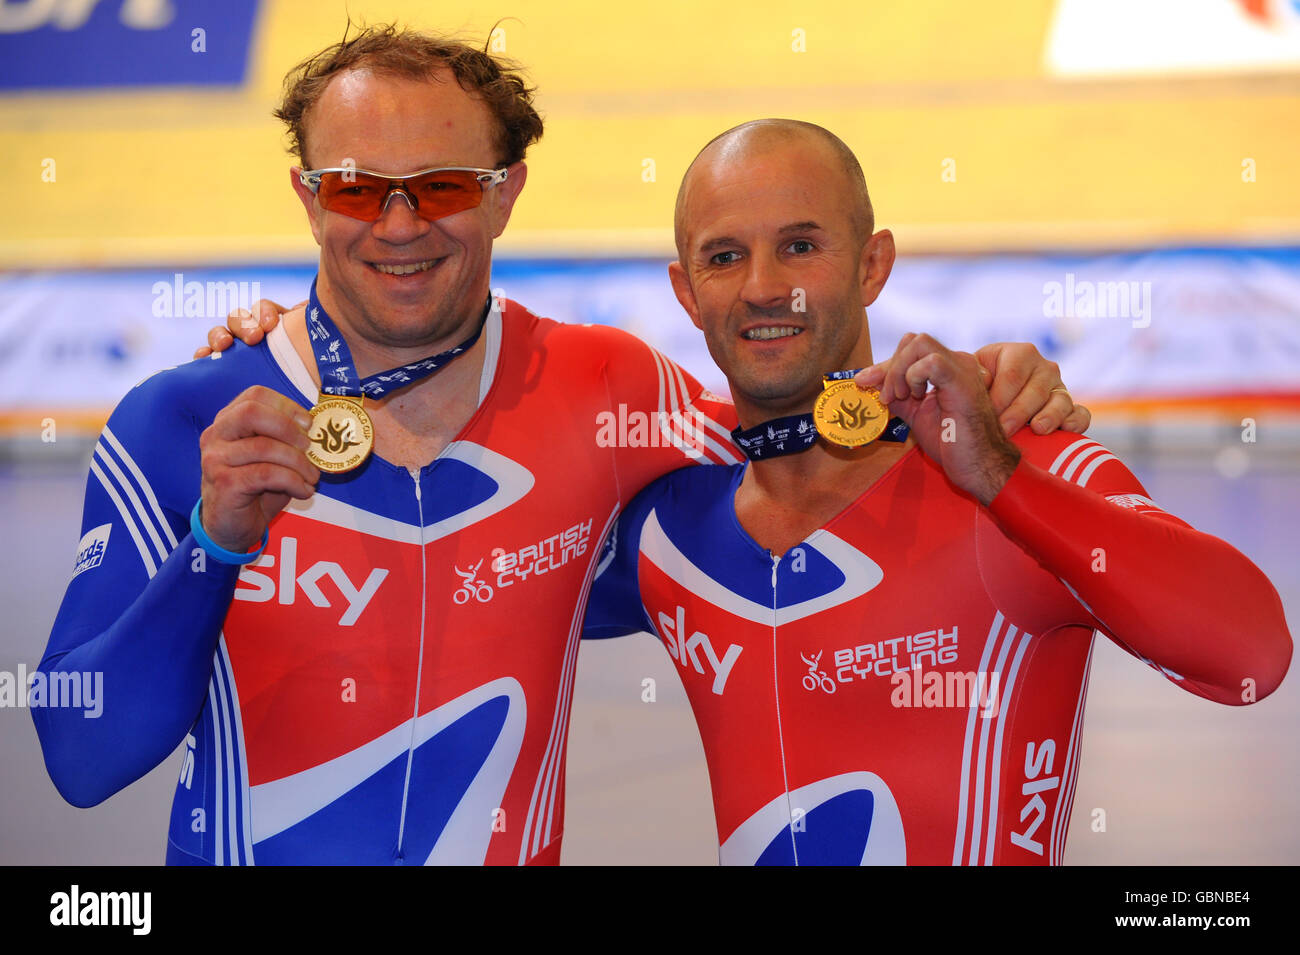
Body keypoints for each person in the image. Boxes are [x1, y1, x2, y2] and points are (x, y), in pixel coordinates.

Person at [35, 27, 1085, 865]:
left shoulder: (608, 390)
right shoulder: (182, 421)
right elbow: (80, 758)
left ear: (506, 189)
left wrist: (989, 382)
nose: (399, 224)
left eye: (442, 185)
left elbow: (813, 443)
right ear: (310, 197)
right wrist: (211, 549)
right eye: (357, 187)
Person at [582, 119, 1293, 865]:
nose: (764, 287)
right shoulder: (668, 530)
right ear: (686, 292)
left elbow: (1252, 653)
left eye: (800, 246)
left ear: (871, 264)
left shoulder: (1016, 460)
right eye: (724, 257)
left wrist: (1001, 479)